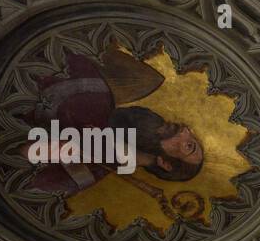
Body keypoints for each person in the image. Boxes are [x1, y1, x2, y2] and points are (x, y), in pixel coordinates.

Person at [23, 48, 204, 195]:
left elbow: (21, 155)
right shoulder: (102, 96)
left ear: (165, 163)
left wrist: (78, 147)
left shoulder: (88, 173)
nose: (185, 130)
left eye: (188, 145)